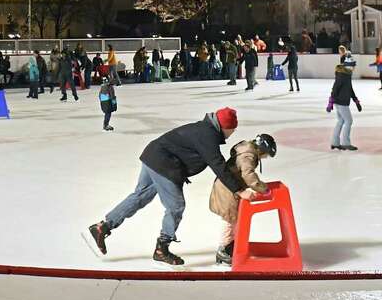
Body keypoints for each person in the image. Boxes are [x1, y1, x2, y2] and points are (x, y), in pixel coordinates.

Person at [87, 108, 251, 266]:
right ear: (226, 126)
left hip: (153, 156)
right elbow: (217, 163)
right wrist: (239, 190)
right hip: (164, 164)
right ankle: (162, 249)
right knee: (176, 206)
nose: (233, 133)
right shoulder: (208, 135)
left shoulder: (204, 129)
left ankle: (103, 227)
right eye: (233, 129)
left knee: (140, 197)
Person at [209, 133, 275, 264]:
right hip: (226, 190)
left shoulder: (247, 150)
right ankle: (223, 251)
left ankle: (230, 245)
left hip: (229, 187)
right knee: (229, 219)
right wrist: (264, 189)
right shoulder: (248, 156)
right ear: (261, 149)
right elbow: (248, 175)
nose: (264, 157)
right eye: (265, 155)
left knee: (233, 219)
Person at [328, 48, 362, 151]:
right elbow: (335, 88)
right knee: (348, 120)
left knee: (341, 121)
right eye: (353, 66)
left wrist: (356, 101)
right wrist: (330, 102)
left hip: (341, 101)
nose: (354, 68)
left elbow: (350, 89)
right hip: (341, 102)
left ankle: (335, 142)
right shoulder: (343, 75)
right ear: (348, 66)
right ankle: (346, 143)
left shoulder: (346, 74)